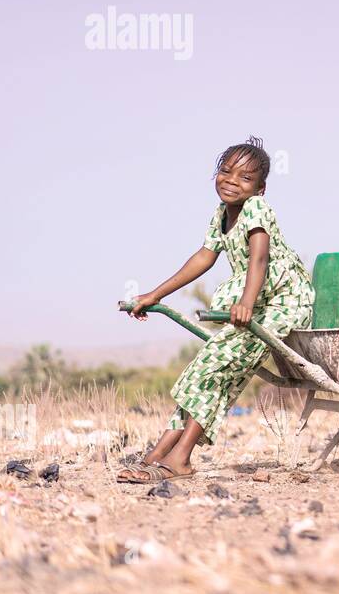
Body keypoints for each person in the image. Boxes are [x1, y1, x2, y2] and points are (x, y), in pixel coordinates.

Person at [117, 137, 314, 482]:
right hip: (258, 300)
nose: (231, 181)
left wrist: (247, 304)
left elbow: (259, 259)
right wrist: (154, 294)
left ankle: (179, 459)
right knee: (205, 371)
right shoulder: (221, 214)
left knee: (216, 367)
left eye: (244, 178)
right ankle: (158, 455)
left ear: (260, 189)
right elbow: (203, 258)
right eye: (225, 171)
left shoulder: (257, 210)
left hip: (284, 301)